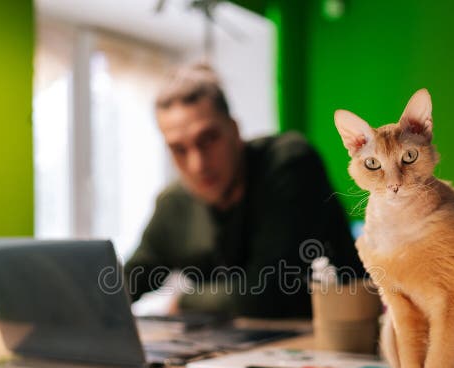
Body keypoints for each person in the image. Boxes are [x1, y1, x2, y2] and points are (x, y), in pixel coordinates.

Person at [125, 63, 362, 318]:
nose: (197, 165)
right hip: (229, 348)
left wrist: (184, 301)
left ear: (235, 131)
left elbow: (265, 294)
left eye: (208, 139)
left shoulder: (289, 163)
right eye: (179, 150)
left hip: (332, 339)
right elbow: (126, 282)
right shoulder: (173, 203)